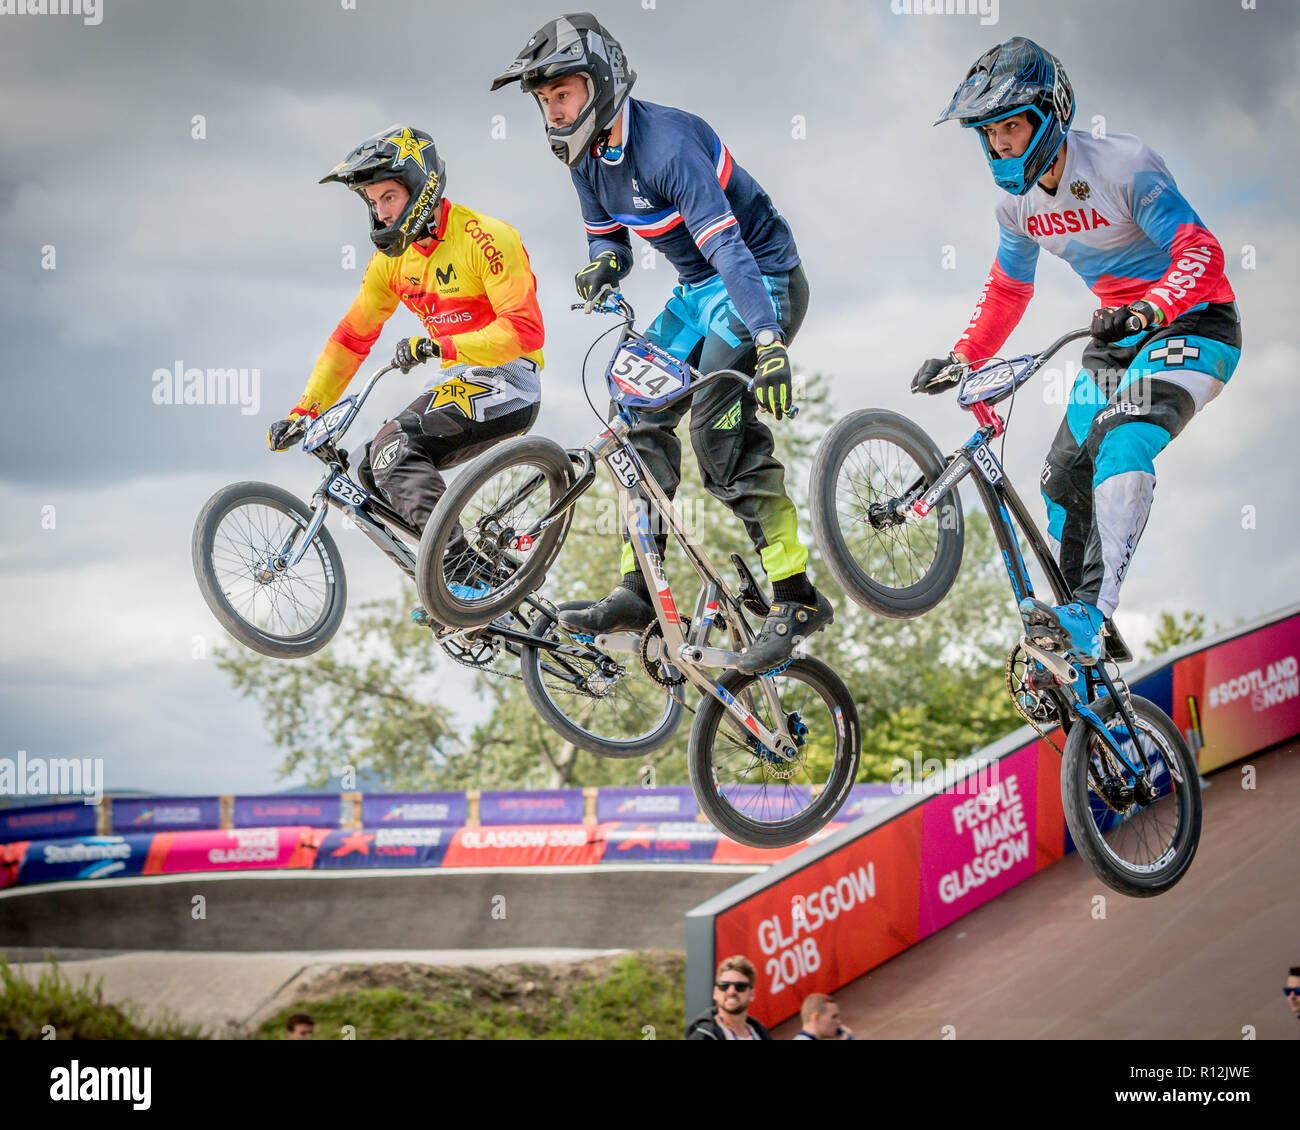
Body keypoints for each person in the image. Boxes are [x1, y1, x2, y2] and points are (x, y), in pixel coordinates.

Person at [491, 13, 832, 674]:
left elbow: (730, 249)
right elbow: (606, 234)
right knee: (632, 417)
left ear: (602, 84)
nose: (553, 112)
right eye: (544, 101)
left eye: (562, 95)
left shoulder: (670, 145)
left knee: (716, 434)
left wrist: (768, 340)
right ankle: (639, 587)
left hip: (761, 280)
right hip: (697, 291)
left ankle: (795, 594)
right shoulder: (584, 158)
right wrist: (605, 263)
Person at [915, 38, 1241, 664]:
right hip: (1115, 342)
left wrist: (1152, 307)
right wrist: (964, 355)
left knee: (1120, 438)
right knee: (1061, 478)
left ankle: (1093, 613)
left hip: (1194, 326)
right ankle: (1072, 639)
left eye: (1010, 125)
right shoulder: (1015, 205)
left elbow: (1201, 252)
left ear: (1049, 115)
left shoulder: (1125, 166)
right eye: (987, 134)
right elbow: (1009, 289)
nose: (1000, 144)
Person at [266, 124, 546, 602]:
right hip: (459, 379)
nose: (381, 211)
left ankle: (455, 578)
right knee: (367, 470)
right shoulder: (390, 264)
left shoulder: (486, 238)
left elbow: (524, 332)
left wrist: (445, 346)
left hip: (510, 380)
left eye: (390, 197)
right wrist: (305, 411)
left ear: (422, 187)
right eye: (373, 202)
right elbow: (352, 338)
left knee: (392, 448)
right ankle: (481, 578)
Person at [685, 956, 772, 1040]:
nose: (731, 991)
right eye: (724, 986)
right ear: (715, 993)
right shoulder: (703, 1035)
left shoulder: (760, 1033)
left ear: (752, 994)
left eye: (740, 987)